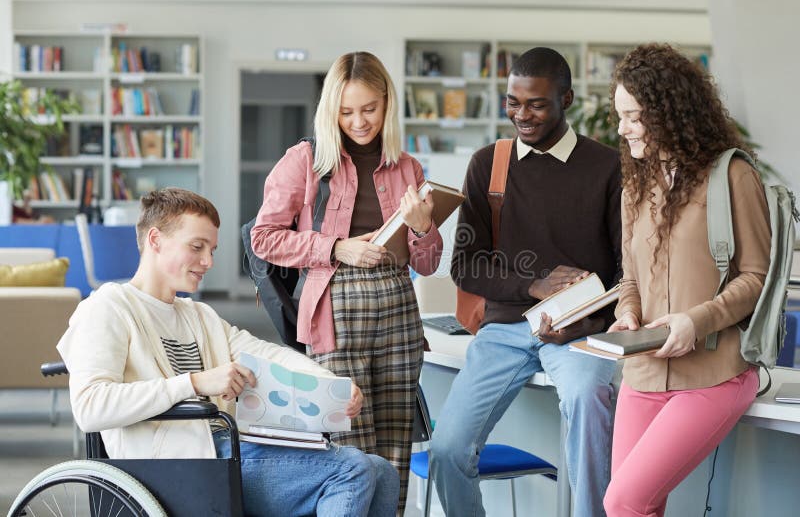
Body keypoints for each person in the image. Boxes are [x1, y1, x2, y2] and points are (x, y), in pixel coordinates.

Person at [57, 188, 400, 517]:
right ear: (155, 240)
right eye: (196, 247)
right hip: (174, 465)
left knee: (382, 471)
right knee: (351, 469)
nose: (207, 261)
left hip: (222, 452)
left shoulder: (197, 315)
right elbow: (90, 407)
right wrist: (194, 383)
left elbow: (266, 353)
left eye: (212, 250)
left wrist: (332, 382)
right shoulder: (108, 307)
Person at [430, 47, 622, 517]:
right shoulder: (488, 165)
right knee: (447, 449)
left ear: (567, 99)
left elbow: (627, 271)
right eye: (513, 102)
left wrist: (589, 321)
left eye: (535, 103)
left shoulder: (609, 167)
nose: (522, 114)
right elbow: (466, 267)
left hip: (581, 336)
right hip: (504, 332)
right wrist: (534, 285)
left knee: (589, 400)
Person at [250, 51, 444, 511]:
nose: (359, 122)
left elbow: (429, 263)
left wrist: (421, 228)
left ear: (387, 103)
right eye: (346, 111)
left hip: (398, 308)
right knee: (349, 444)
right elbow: (263, 238)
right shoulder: (306, 161)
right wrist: (337, 248)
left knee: (396, 444)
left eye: (369, 109)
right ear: (330, 110)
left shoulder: (408, 168)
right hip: (335, 312)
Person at [602, 43, 770, 516]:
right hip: (644, 373)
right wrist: (628, 312)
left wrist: (696, 322)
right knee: (637, 508)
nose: (622, 129)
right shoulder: (636, 182)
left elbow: (757, 277)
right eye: (620, 115)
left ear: (668, 111)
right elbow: (629, 276)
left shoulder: (733, 175)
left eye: (633, 116)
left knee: (623, 500)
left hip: (714, 376)